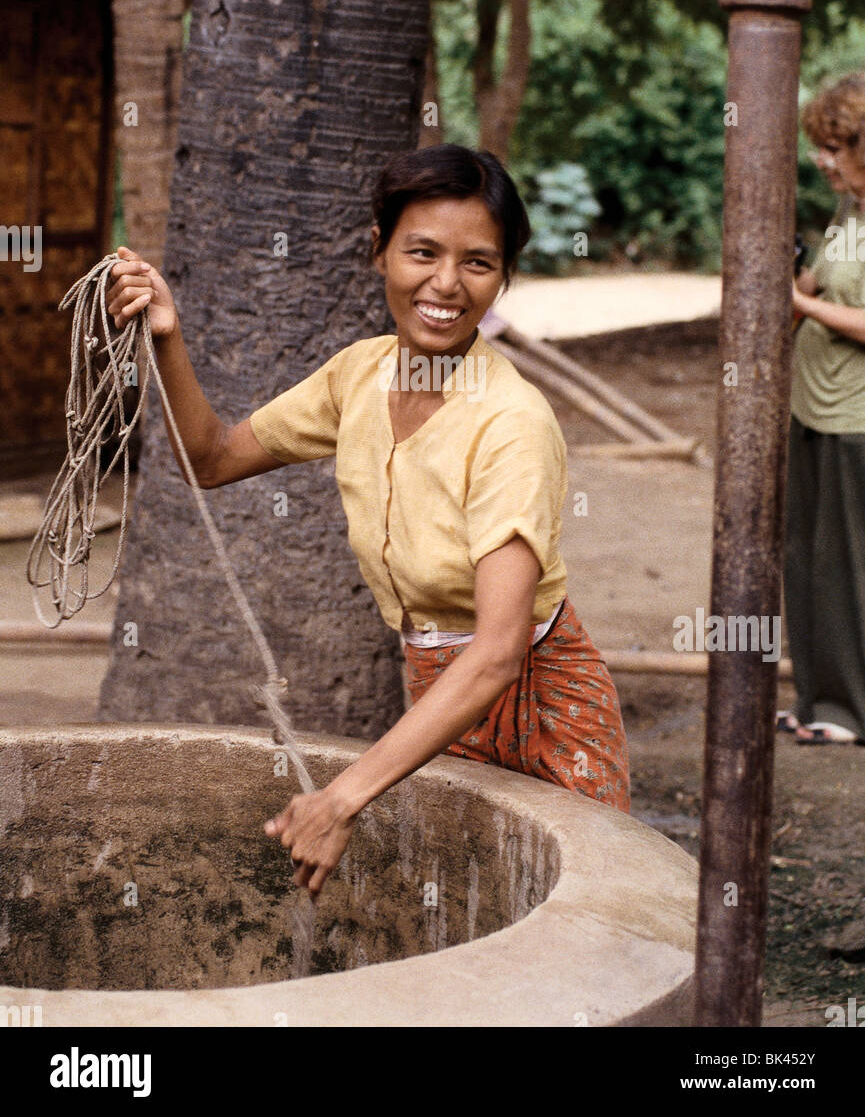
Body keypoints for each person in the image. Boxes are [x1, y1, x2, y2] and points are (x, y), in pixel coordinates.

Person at [107, 144, 630, 896]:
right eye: (422, 252)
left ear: (503, 276)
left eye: (478, 263)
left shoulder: (511, 424)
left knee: (578, 908)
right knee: (469, 904)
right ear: (379, 251)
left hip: (539, 701)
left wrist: (342, 795)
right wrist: (166, 332)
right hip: (438, 692)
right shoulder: (359, 374)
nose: (446, 284)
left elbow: (495, 654)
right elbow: (210, 458)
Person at [784, 72, 865, 746]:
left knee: (846, 567)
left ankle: (849, 713)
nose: (821, 159)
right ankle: (815, 701)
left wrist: (803, 306)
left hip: (854, 421)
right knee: (805, 558)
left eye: (834, 147)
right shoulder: (847, 211)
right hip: (810, 408)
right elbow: (813, 282)